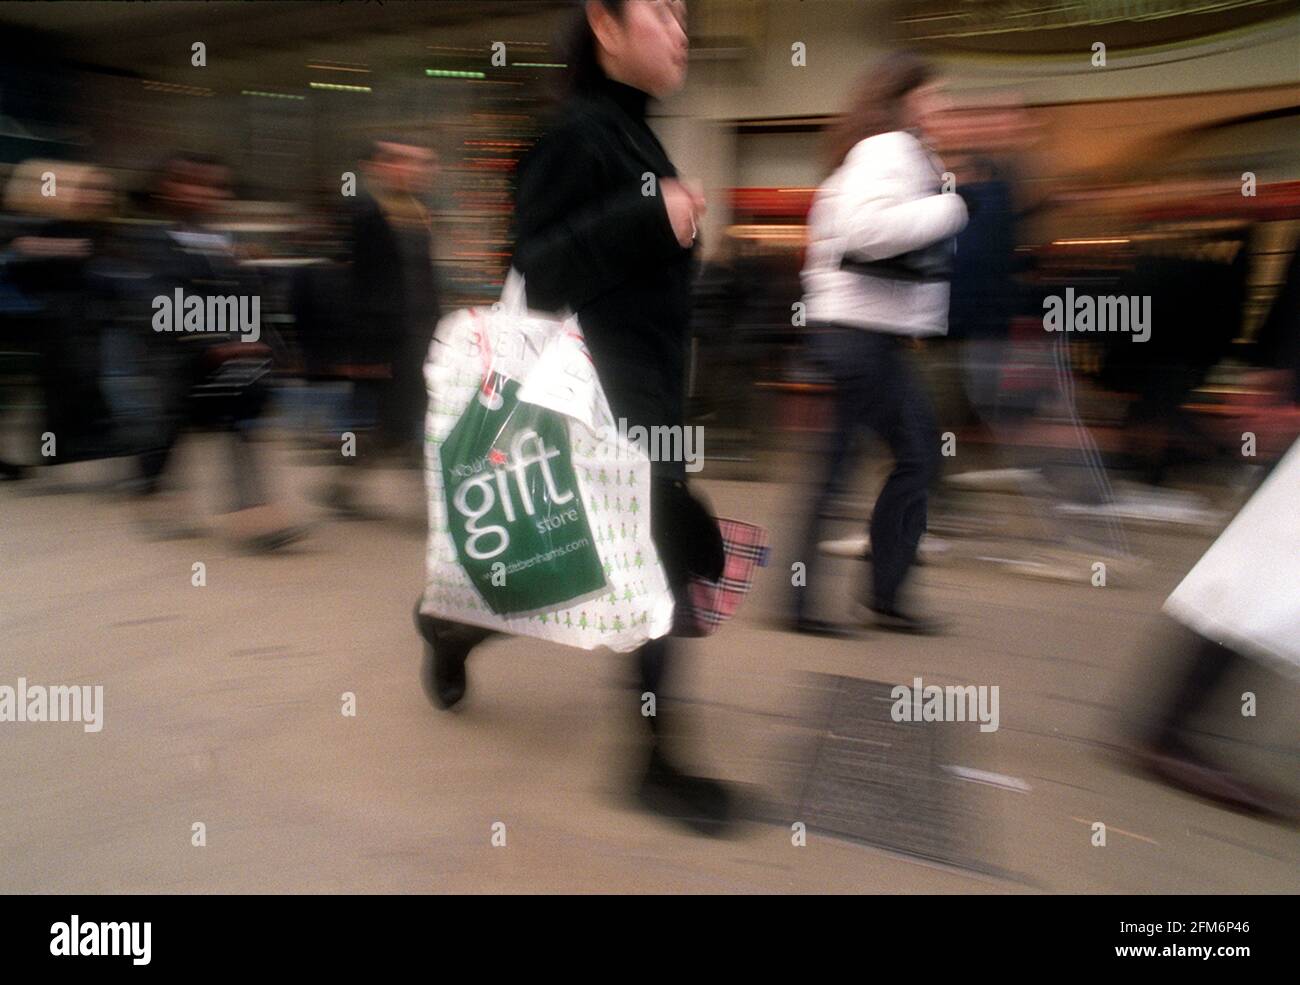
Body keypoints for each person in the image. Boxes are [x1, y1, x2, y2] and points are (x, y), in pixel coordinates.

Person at [415, 0, 732, 834]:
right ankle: (655, 764)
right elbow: (540, 270)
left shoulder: (638, 136)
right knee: (641, 572)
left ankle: (452, 627)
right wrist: (649, 215)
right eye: (660, 10)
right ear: (604, 23)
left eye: (684, 15)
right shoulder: (577, 132)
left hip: (645, 405)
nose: (679, 27)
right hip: (594, 410)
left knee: (587, 574)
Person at [792, 53, 967, 635]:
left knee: (852, 465)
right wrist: (948, 208)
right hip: (859, 338)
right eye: (934, 95)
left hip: (856, 334)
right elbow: (867, 232)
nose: (942, 107)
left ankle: (815, 601)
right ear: (905, 98)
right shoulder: (889, 148)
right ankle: (878, 596)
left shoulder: (877, 150)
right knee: (913, 457)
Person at [117, 153, 304, 550]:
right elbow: (156, 299)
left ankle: (252, 514)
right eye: (190, 183)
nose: (202, 193)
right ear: (166, 189)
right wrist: (211, 341)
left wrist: (269, 344)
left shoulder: (225, 243)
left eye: (213, 186)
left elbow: (250, 297)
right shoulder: (152, 242)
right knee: (167, 433)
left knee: (240, 428)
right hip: (176, 358)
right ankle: (150, 488)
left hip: (229, 359)